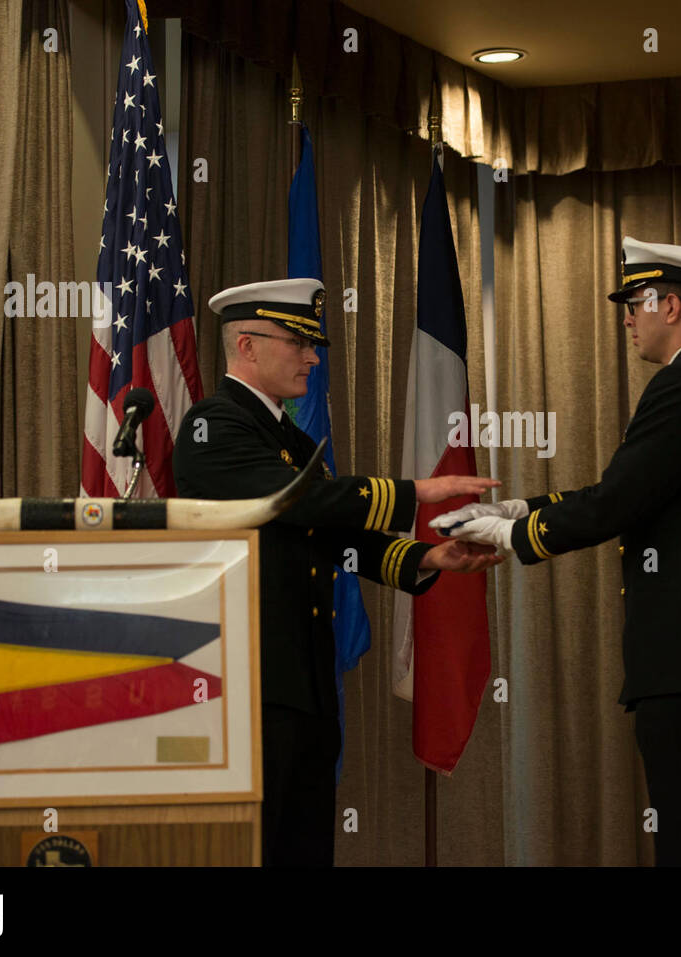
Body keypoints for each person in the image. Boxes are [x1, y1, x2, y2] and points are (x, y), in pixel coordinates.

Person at [435, 237, 681, 865]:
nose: (625, 317)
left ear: (669, 306)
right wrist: (518, 510)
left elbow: (616, 504)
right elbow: (625, 493)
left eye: (634, 302)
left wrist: (510, 537)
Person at [172, 278, 501, 867]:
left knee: (304, 849)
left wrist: (429, 556)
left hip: (304, 683)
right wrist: (419, 492)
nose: (312, 356)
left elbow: (333, 539)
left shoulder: (290, 438)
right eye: (298, 342)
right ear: (246, 346)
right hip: (247, 685)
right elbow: (299, 503)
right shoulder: (211, 426)